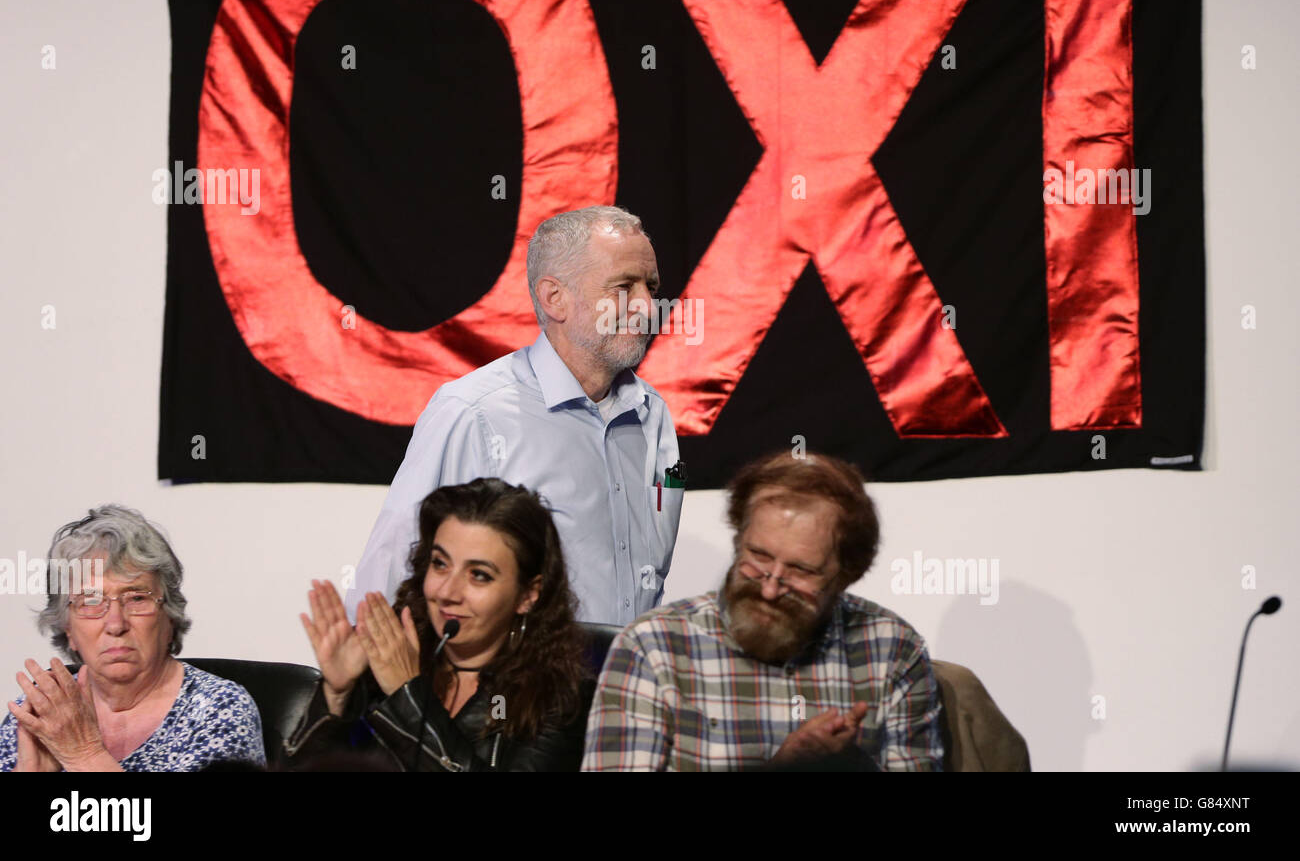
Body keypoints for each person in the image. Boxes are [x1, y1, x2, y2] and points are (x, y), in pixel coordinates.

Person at [347, 205, 683, 626]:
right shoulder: (474, 412)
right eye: (624, 288)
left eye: (651, 287)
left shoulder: (653, 416)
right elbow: (391, 577)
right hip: (511, 690)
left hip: (627, 686)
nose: (648, 308)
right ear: (554, 298)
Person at [582, 451, 944, 771]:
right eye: (758, 558)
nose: (770, 589)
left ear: (848, 573)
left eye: (800, 571)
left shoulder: (893, 649)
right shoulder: (654, 647)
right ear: (739, 539)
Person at [287, 478, 592, 771]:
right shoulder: (384, 664)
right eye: (440, 564)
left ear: (528, 595)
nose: (447, 593)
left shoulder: (558, 697)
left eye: (479, 575)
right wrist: (337, 694)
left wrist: (408, 696)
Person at [1, 506, 265, 772]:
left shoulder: (218, 707)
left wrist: (84, 755)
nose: (116, 624)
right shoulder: (45, 709)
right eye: (91, 602)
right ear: (67, 627)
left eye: (137, 598)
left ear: (169, 617)